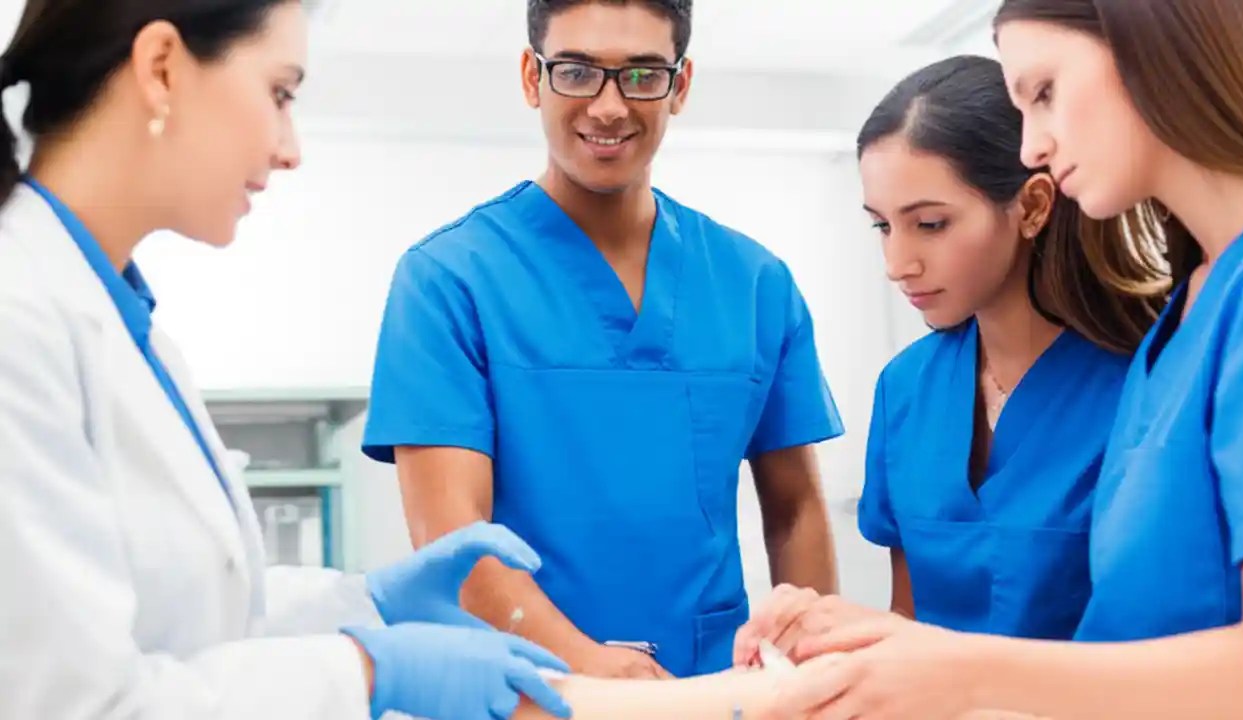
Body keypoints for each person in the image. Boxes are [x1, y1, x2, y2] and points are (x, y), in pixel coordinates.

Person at [0, 2, 574, 719]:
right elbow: (70, 704)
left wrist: (367, 604)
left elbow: (195, 619)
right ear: (160, 68)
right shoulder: (18, 321)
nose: (290, 148)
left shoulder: (122, 325)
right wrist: (363, 671)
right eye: (280, 93)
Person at [762, 0, 1243, 718]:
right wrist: (876, 644)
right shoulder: (1191, 316)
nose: (1033, 144)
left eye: (1045, 92)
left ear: (1152, 47)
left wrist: (959, 670)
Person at [361, 0, 845, 680]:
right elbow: (453, 539)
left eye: (644, 74)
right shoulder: (448, 279)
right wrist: (584, 664)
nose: (611, 106)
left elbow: (795, 509)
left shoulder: (755, 283)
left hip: (711, 687)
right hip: (535, 686)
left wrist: (808, 668)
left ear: (681, 84)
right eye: (578, 71)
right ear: (533, 77)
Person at [733, 54, 1170, 663]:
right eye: (882, 226)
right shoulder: (906, 388)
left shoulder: (1152, 379)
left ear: (1035, 206)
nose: (897, 263)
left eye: (930, 224)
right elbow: (908, 625)